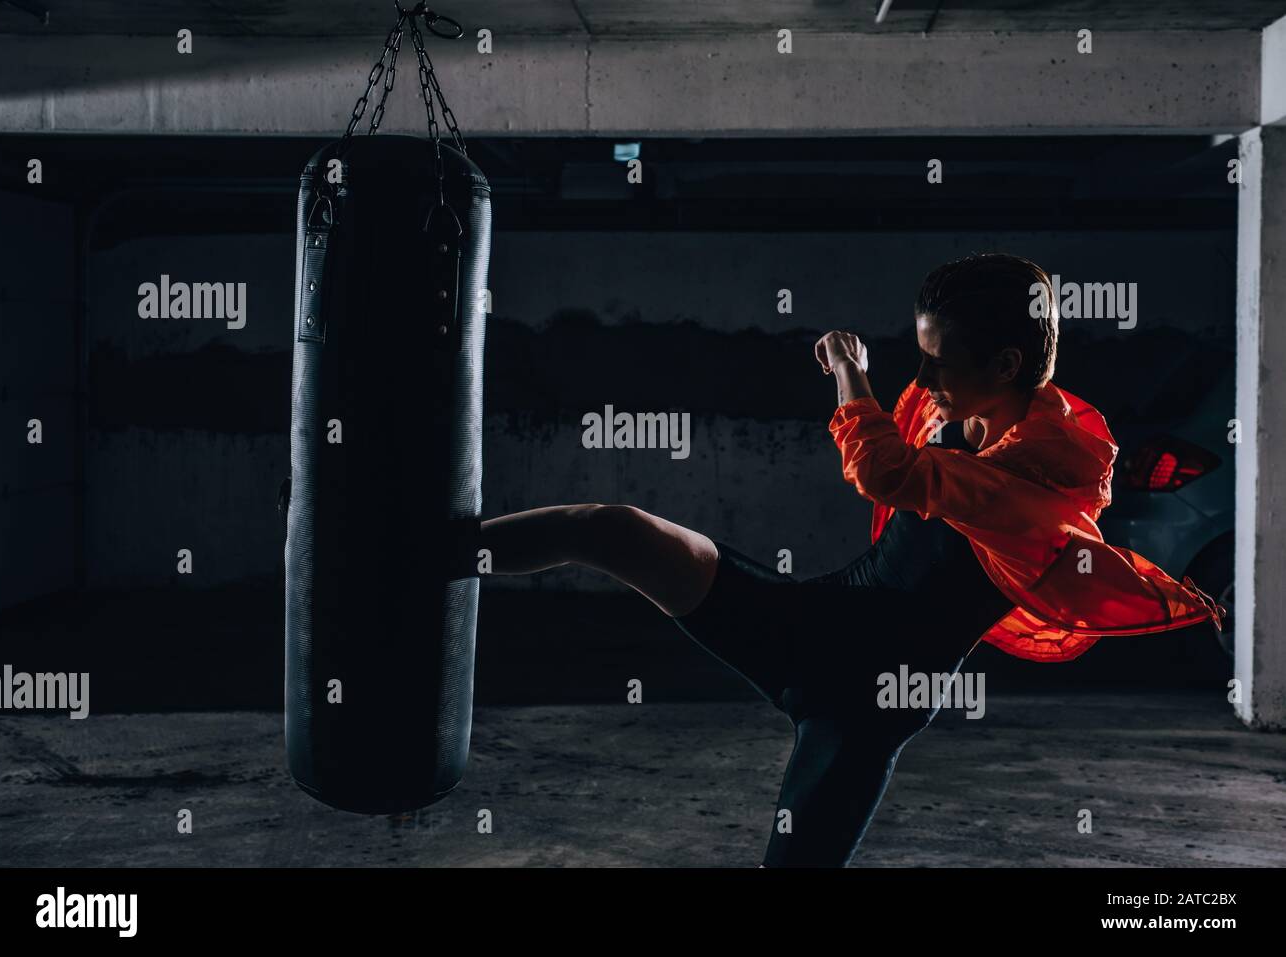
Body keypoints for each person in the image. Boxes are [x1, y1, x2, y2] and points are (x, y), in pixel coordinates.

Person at [478, 253, 1225, 867]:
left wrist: (848, 366)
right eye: (922, 357)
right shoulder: (986, 409)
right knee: (611, 528)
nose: (924, 382)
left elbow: (882, 470)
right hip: (810, 621)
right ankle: (437, 555)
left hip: (866, 703)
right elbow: (906, 438)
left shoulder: (1030, 485)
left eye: (939, 363)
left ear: (1005, 364)